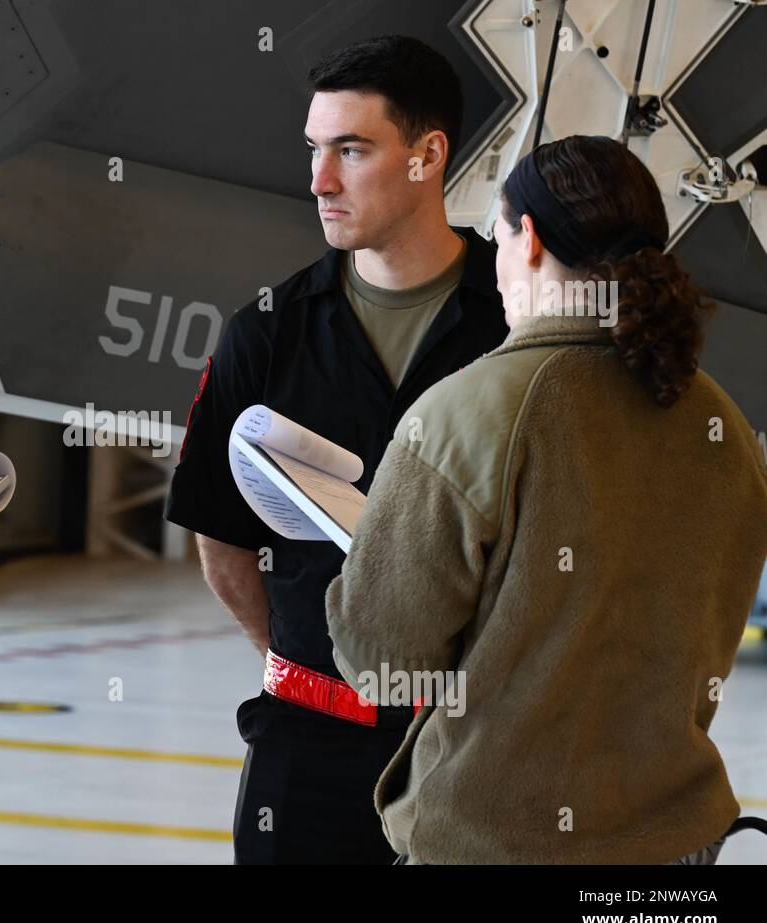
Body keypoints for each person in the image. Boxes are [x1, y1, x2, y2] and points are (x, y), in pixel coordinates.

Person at [326, 134, 767, 864]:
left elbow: (380, 663)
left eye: (494, 236)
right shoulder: (722, 423)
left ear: (526, 239)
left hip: (495, 842)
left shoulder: (465, 413)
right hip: (676, 845)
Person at [165, 35, 507, 863]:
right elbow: (222, 538)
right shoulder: (263, 336)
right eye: (316, 150)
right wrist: (312, 667)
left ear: (428, 155)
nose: (319, 180)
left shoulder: (516, 325)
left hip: (486, 753)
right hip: (308, 757)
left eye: (351, 151)